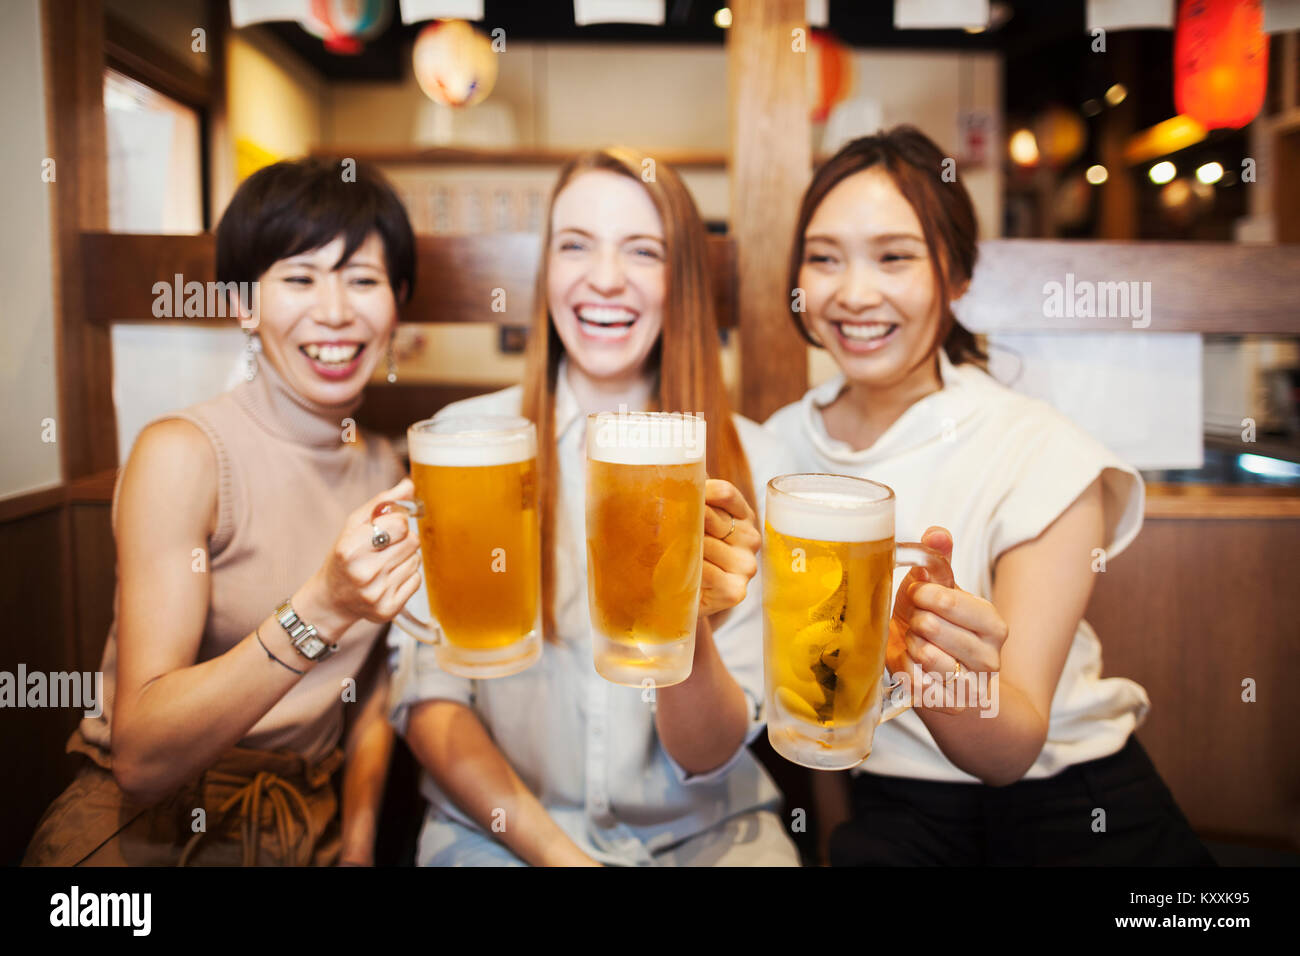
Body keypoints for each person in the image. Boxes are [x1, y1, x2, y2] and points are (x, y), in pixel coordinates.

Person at [764, 126, 1214, 866]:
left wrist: (935, 668)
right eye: (822, 258)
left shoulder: (1040, 450)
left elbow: (1012, 748)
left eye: (895, 256)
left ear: (957, 277)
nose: (853, 293)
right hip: (897, 813)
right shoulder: (776, 451)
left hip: (1072, 803)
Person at [388, 147, 800, 866]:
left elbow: (707, 754)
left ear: (684, 283)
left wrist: (689, 619)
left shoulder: (755, 466)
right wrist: (560, 858)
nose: (604, 278)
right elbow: (434, 706)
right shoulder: (463, 444)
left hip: (704, 833)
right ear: (545, 266)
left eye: (643, 251)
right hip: (502, 832)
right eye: (575, 244)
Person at [24, 157, 422, 866]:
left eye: (362, 280)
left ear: (397, 303)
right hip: (150, 828)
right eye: (298, 278)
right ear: (244, 304)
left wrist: (358, 845)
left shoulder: (384, 469)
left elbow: (369, 693)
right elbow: (142, 757)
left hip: (309, 823)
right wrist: (323, 606)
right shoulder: (184, 454)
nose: (334, 312)